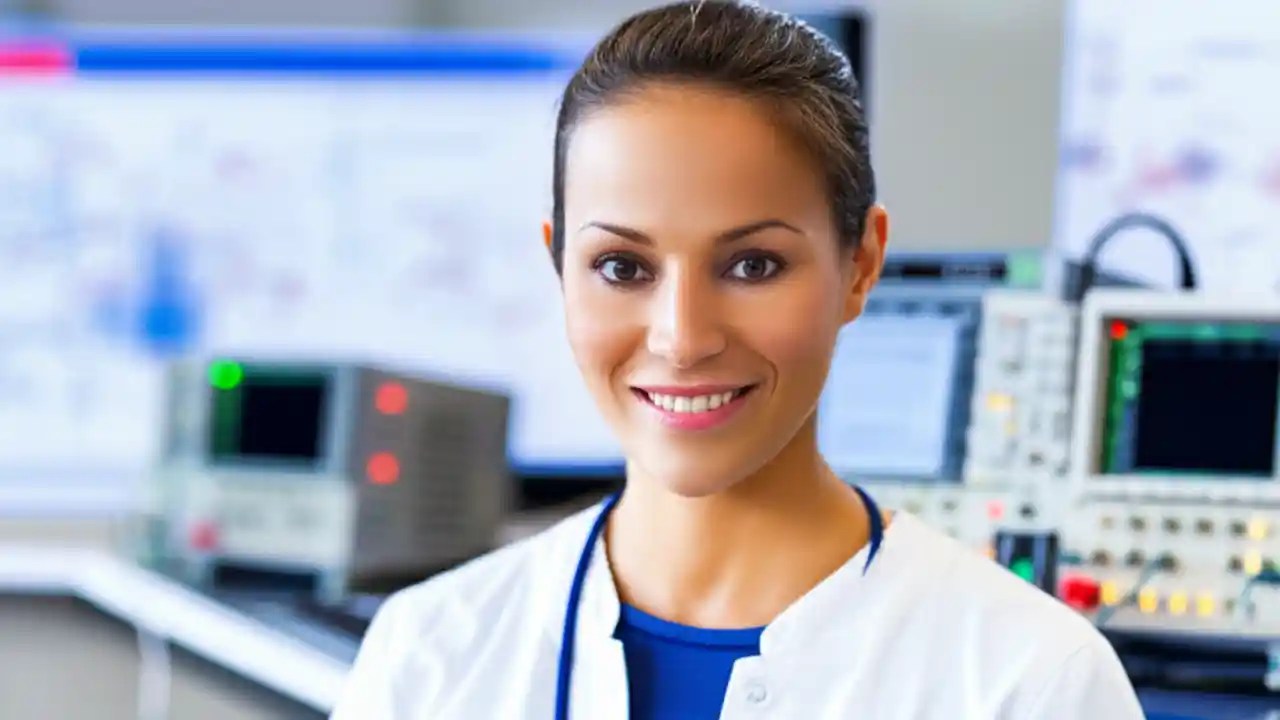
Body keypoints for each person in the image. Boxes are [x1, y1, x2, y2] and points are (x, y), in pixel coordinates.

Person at [332, 2, 1145, 718]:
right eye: (622, 267)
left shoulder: (1030, 683)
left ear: (861, 265)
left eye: (753, 265)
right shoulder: (427, 657)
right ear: (558, 265)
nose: (682, 337)